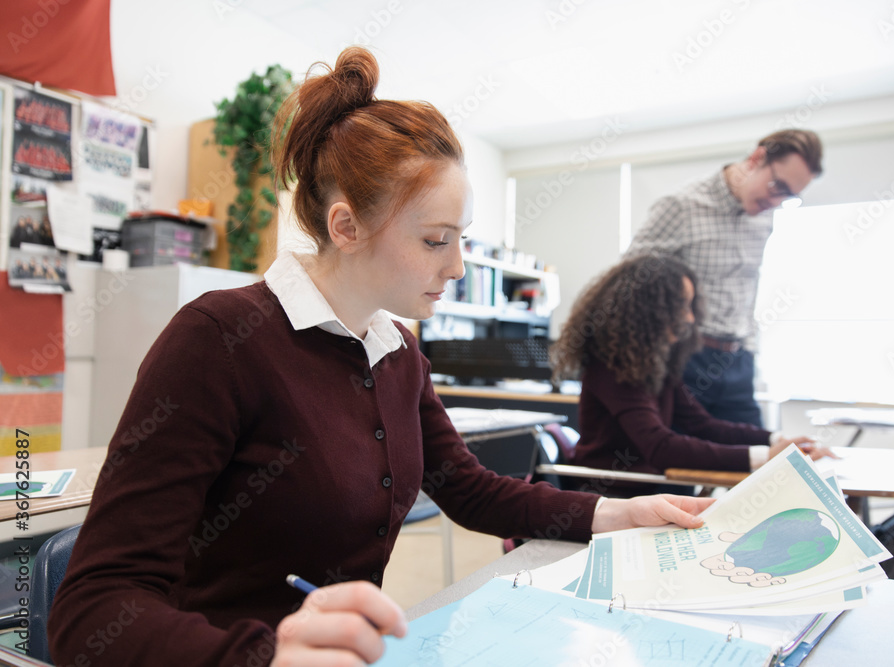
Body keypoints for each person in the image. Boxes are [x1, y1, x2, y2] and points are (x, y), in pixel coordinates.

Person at [48, 46, 715, 667]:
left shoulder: (396, 352)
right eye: (434, 240)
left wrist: (613, 512)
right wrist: (265, 655)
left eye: (462, 240)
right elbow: (92, 608)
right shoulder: (219, 338)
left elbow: (468, 487)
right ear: (346, 225)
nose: (456, 265)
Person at [550, 254, 828, 498]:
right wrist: (762, 457)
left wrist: (775, 439)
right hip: (614, 494)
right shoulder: (611, 366)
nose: (690, 318)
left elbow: (701, 425)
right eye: (682, 306)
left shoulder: (653, 362)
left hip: (648, 488)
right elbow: (661, 447)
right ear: (650, 311)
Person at [625, 129, 823, 427]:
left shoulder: (766, 215)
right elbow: (629, 281)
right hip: (685, 358)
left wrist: (750, 348)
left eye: (788, 196)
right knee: (689, 464)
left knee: (760, 462)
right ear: (756, 159)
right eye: (777, 186)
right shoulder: (681, 205)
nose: (776, 201)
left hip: (738, 360)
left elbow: (748, 283)